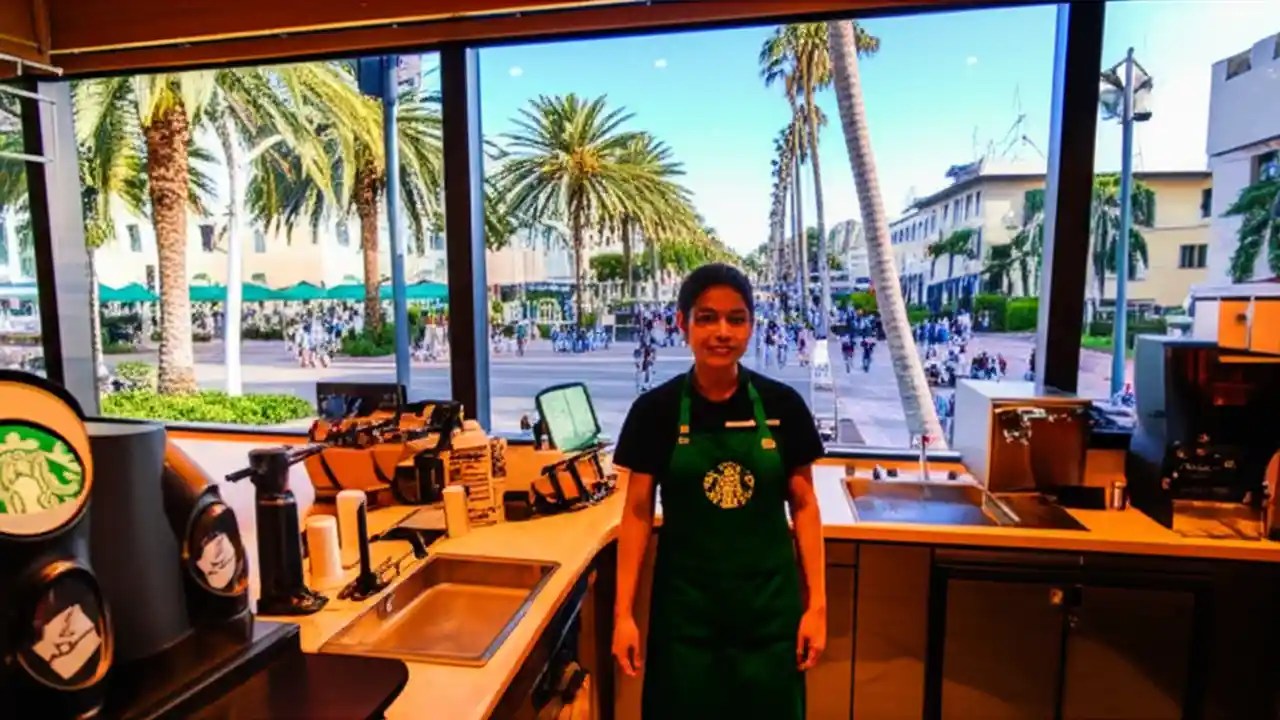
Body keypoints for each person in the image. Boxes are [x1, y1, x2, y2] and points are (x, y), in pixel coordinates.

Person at [611, 264, 827, 719]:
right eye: (707, 317)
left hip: (769, 617)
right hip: (686, 620)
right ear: (682, 323)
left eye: (736, 318)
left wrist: (817, 609)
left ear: (751, 325)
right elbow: (635, 514)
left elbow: (805, 507)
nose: (722, 332)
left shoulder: (783, 406)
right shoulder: (655, 411)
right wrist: (623, 616)